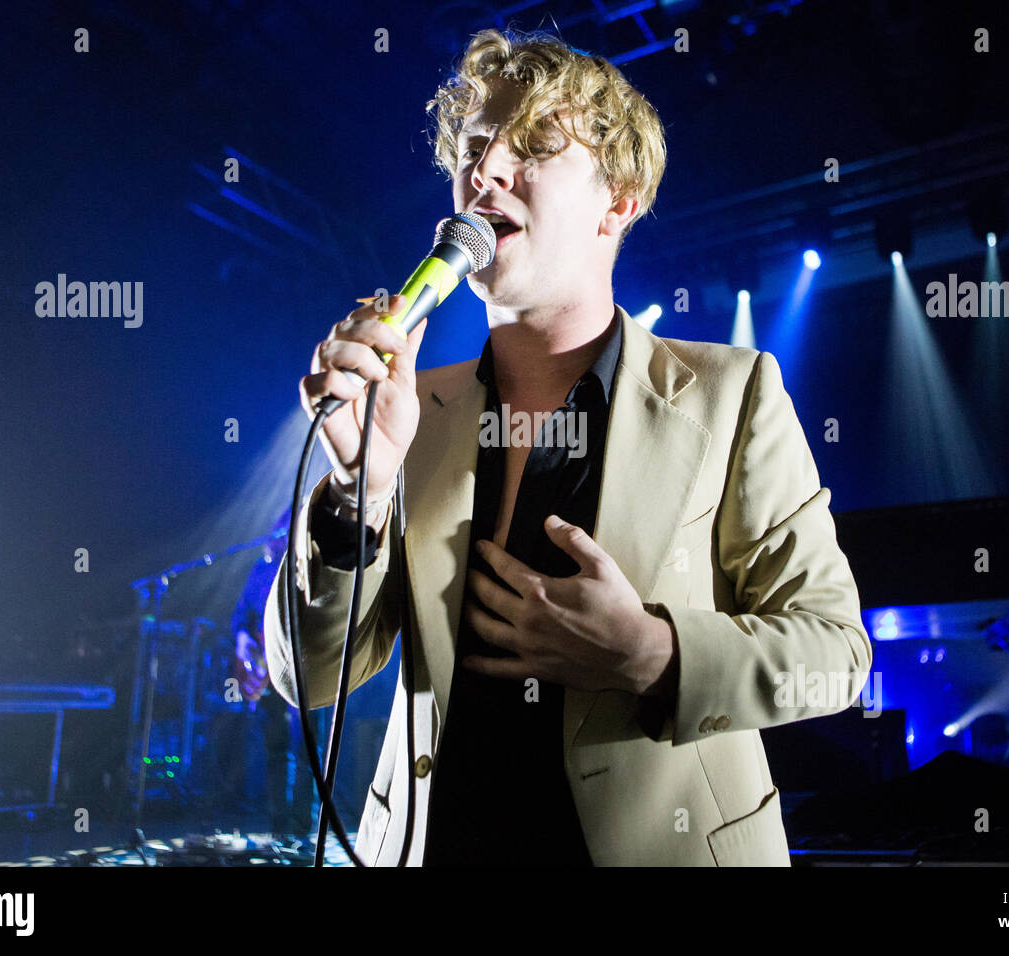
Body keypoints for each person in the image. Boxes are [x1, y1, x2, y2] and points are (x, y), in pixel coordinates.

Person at [264, 28, 871, 866]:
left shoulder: (733, 394)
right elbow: (310, 679)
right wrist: (357, 490)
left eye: (535, 146)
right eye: (474, 149)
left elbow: (835, 655)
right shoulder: (409, 413)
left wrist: (651, 653)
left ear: (618, 202)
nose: (486, 172)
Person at [230, 519, 316, 844]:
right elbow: (240, 617)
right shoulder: (261, 572)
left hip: (307, 669)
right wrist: (243, 642)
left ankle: (302, 827)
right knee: (276, 747)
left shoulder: (312, 567)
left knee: (308, 748)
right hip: (271, 672)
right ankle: (279, 826)